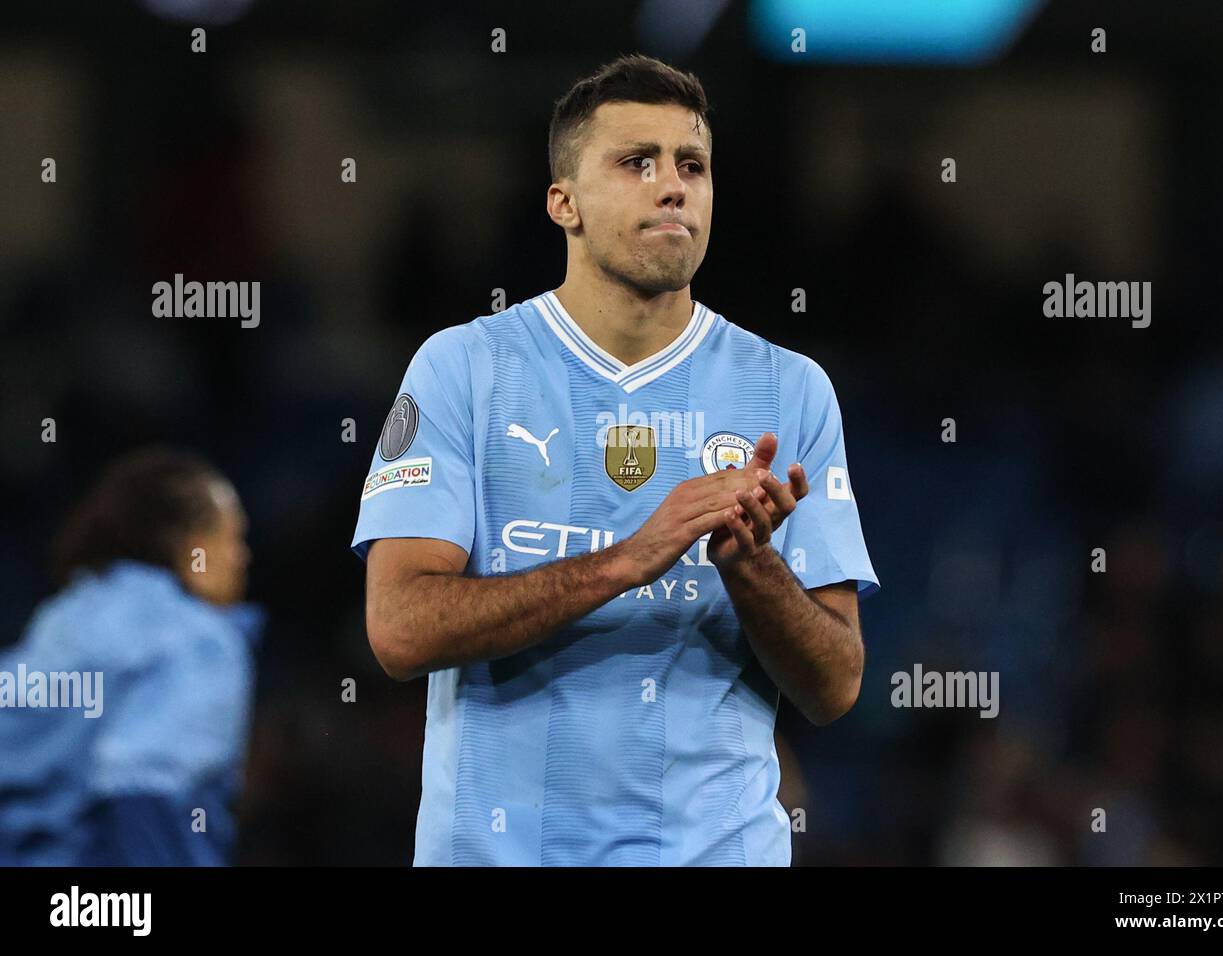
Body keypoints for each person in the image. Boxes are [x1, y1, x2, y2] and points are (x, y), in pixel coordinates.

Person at [352, 54, 880, 866]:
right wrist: (629, 559)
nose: (672, 186)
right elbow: (399, 630)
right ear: (564, 201)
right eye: (637, 162)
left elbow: (835, 684)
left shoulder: (790, 389)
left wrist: (753, 569)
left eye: (691, 166)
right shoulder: (462, 369)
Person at [0, 447, 261, 865]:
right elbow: (147, 789)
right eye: (234, 537)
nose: (243, 557)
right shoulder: (198, 638)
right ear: (192, 546)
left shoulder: (64, 614)